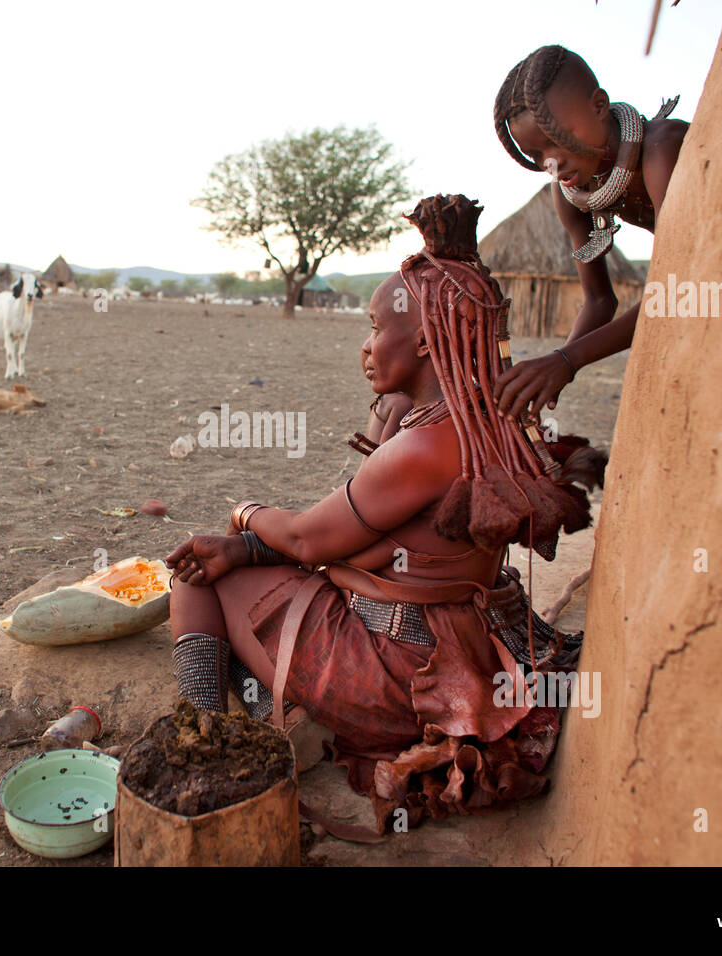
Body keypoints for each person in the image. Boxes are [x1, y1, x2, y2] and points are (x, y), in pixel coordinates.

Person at [164, 195, 597, 828]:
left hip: (396, 676)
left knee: (194, 577)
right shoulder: (481, 419)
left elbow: (313, 541)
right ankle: (264, 710)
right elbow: (356, 542)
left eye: (375, 327)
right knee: (236, 558)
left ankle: (201, 731)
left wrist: (243, 514)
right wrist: (386, 407)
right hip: (458, 645)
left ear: (423, 341)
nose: (365, 345)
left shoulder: (423, 447)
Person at [491, 44, 689, 420]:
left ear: (599, 106)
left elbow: (676, 295)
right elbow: (600, 300)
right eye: (536, 155)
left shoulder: (661, 150)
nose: (552, 161)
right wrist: (554, 370)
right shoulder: (570, 194)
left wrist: (566, 360)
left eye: (558, 135)